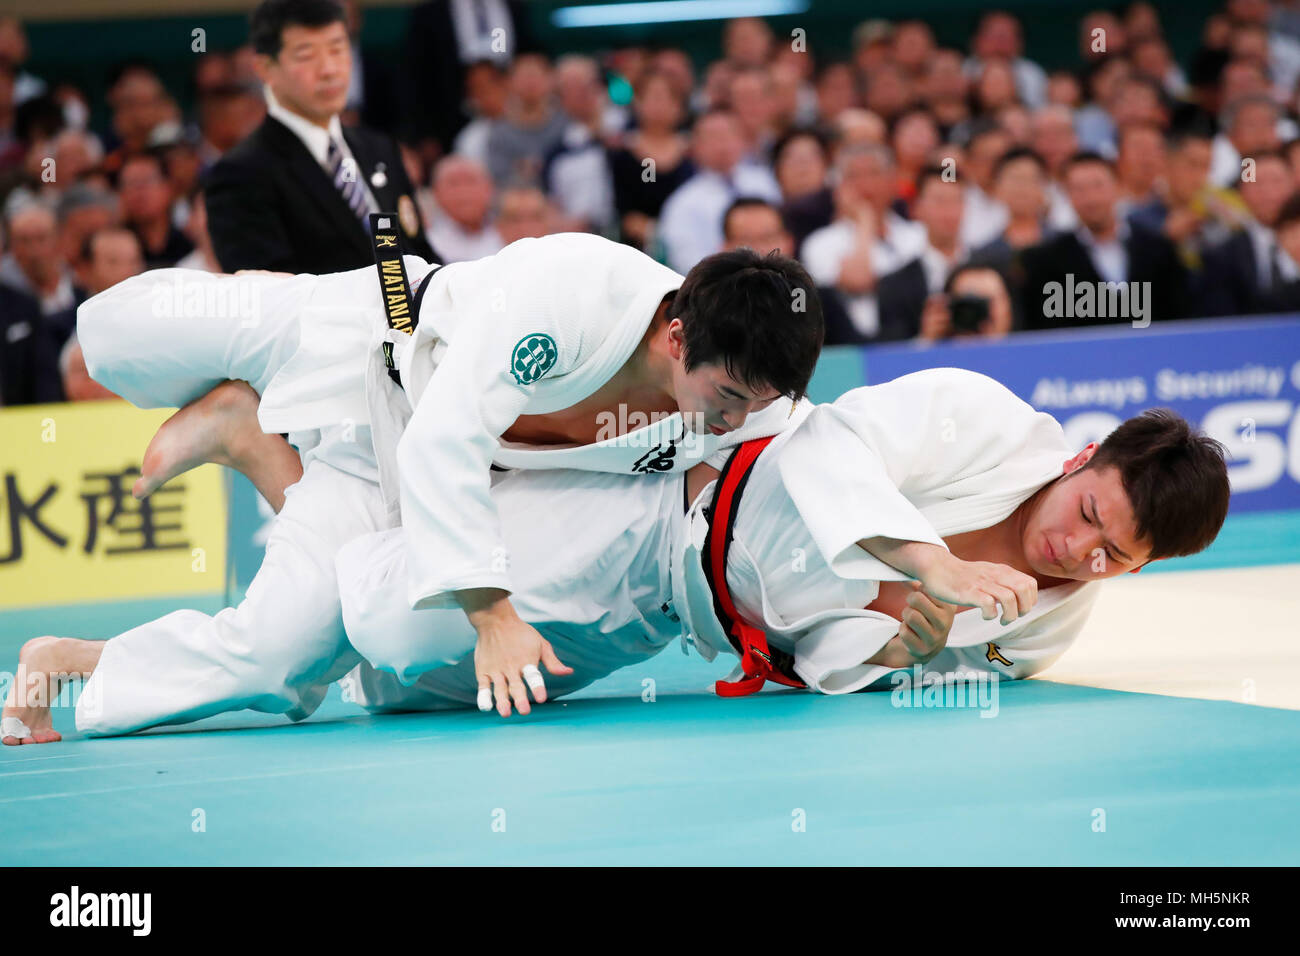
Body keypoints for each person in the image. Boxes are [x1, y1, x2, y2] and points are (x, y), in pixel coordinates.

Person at [7, 369, 1230, 739]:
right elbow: (820, 451)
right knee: (368, 619)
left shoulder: (1050, 621)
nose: (1079, 553)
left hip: (668, 620)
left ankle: (91, 650)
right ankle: (285, 457)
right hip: (659, 512)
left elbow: (840, 662)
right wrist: (937, 566)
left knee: (362, 684)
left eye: (1113, 558)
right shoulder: (975, 417)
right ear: (1078, 460)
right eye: (1091, 515)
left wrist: (909, 637)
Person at [1, 239, 824, 742]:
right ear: (678, 336)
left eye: (756, 404)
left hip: (393, 482)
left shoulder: (744, 398)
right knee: (114, 333)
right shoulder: (576, 294)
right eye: (727, 398)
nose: (735, 423)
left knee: (280, 658)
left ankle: (75, 659)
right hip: (364, 343)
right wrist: (491, 616)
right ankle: (261, 303)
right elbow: (447, 435)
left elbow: (823, 462)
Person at [205, 0, 436, 274]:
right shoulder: (240, 174)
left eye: (338, 49)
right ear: (266, 68)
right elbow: (271, 296)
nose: (328, 70)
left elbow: (418, 255)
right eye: (306, 55)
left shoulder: (379, 150)